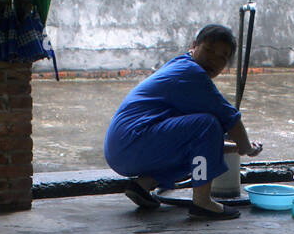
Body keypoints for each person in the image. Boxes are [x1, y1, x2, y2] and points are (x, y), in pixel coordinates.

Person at [104, 24, 263, 220]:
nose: (213, 59)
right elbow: (231, 120)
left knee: (202, 135)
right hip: (131, 144)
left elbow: (204, 145)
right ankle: (203, 202)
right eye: (209, 50)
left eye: (222, 57)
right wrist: (246, 148)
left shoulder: (182, 65)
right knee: (207, 124)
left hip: (124, 149)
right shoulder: (192, 73)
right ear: (194, 45)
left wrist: (237, 147)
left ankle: (142, 185)